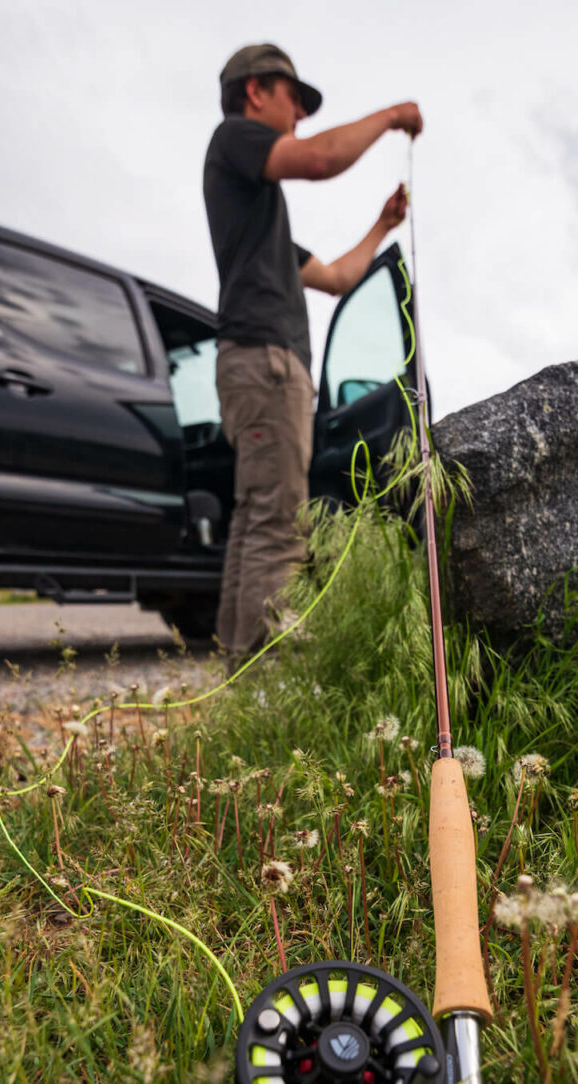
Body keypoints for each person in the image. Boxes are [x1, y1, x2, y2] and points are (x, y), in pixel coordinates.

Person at [203, 43, 422, 670]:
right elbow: (321, 159)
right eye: (294, 99)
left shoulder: (261, 223)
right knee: (277, 523)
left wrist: (382, 227)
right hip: (266, 366)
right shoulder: (234, 140)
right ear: (256, 91)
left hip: (254, 366)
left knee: (255, 518)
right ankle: (270, 678)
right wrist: (391, 116)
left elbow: (334, 278)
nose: (298, 115)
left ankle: (239, 669)